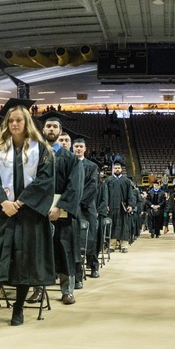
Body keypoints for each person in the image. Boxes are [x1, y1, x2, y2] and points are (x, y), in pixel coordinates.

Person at [0, 98, 56, 329]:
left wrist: (21, 202)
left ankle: (18, 308)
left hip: (29, 215)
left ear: (27, 122)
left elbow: (45, 181)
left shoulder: (41, 150)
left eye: (19, 120)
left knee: (24, 262)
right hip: (4, 214)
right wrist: (3, 202)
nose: (14, 124)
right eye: (11, 121)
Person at [33, 112, 82, 305]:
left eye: (55, 126)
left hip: (62, 215)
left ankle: (67, 291)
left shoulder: (70, 158)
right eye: (48, 126)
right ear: (43, 130)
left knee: (64, 251)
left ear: (60, 131)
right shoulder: (35, 154)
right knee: (39, 251)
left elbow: (74, 187)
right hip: (39, 213)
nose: (51, 129)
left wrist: (59, 208)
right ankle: (38, 289)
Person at [72, 134, 102, 279]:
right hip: (71, 206)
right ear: (73, 148)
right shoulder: (68, 163)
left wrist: (78, 201)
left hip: (87, 206)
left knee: (91, 237)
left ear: (85, 149)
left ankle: (93, 266)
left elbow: (92, 187)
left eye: (80, 147)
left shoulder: (92, 166)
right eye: (76, 146)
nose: (78, 149)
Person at [105, 161, 136, 252]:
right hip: (111, 207)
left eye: (118, 168)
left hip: (123, 207)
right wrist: (105, 204)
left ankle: (124, 246)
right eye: (115, 168)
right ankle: (111, 246)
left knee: (124, 226)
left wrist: (131, 205)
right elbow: (105, 194)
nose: (117, 169)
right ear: (113, 169)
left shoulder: (126, 181)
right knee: (112, 225)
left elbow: (130, 194)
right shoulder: (108, 180)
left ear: (121, 169)